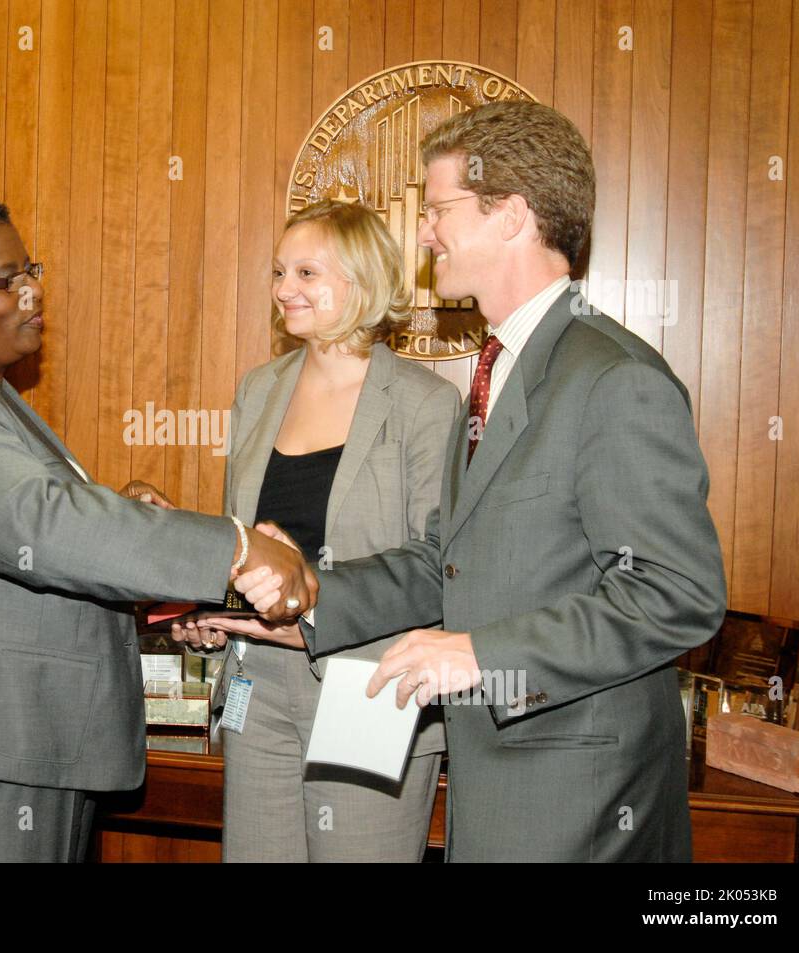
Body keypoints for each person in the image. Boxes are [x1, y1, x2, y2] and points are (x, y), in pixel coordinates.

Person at [228, 101, 727, 862]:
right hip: (499, 783)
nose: (424, 232)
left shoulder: (612, 378)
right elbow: (442, 562)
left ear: (511, 216)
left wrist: (481, 657)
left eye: (439, 210)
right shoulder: (498, 373)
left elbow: (676, 594)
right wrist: (311, 598)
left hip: (578, 799)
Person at [0, 192, 314, 862]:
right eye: (6, 280)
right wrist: (235, 547)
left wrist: (119, 516)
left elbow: (30, 530)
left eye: (32, 271)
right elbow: (42, 527)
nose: (31, 293)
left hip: (2, 738)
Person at [172, 200, 459, 861]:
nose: (282, 289)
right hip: (256, 681)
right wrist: (209, 608)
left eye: (306, 272)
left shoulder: (425, 403)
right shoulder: (258, 389)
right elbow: (244, 539)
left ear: (362, 281)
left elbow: (437, 563)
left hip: (372, 686)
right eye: (278, 272)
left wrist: (313, 598)